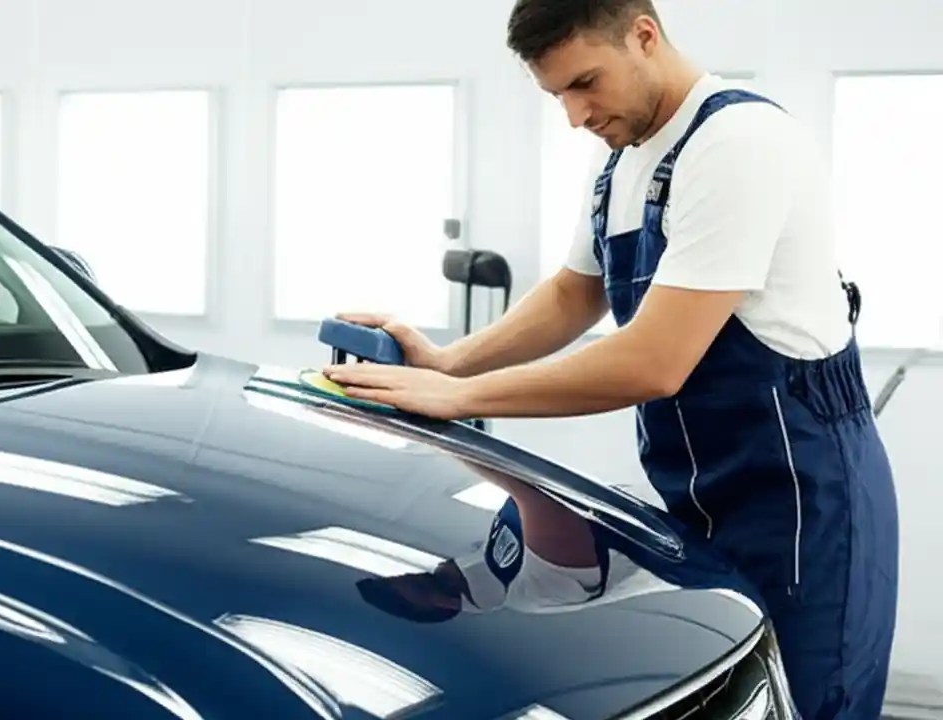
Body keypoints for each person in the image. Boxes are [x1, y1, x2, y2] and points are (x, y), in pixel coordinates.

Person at [322, 1, 899, 718]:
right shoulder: (623, 162)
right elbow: (574, 293)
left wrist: (458, 400)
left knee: (807, 704)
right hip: (702, 494)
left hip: (807, 506)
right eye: (558, 94)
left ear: (644, 35)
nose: (575, 115)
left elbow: (655, 362)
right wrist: (447, 364)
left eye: (586, 82)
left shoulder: (740, 143)